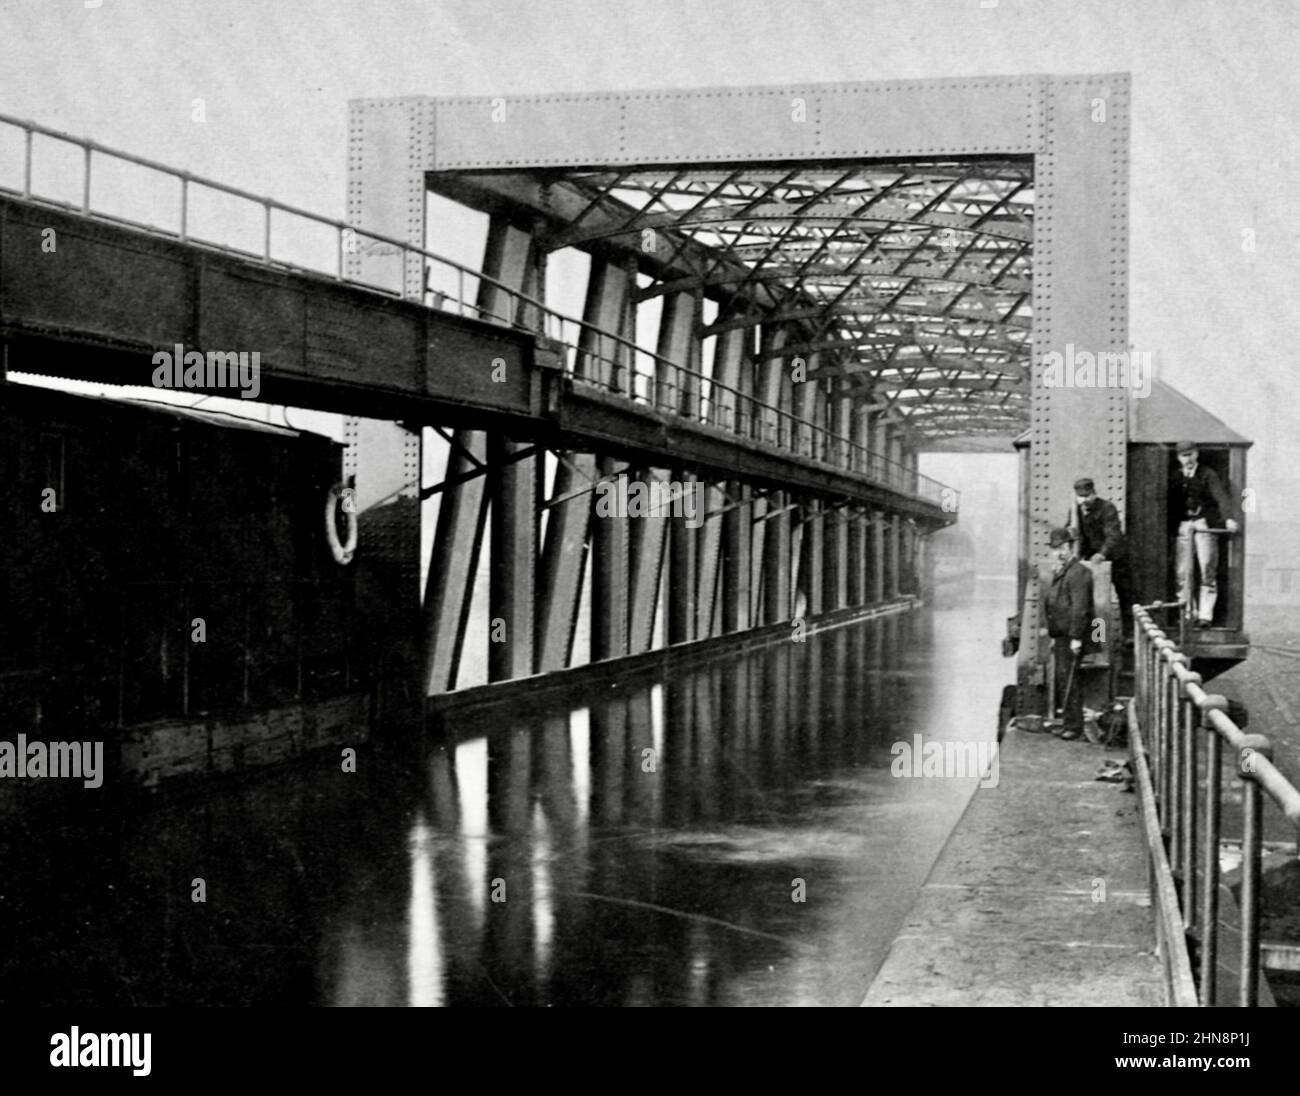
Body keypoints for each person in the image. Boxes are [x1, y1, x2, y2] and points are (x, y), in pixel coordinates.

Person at [1168, 442, 1239, 628]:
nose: (1188, 459)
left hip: (1203, 524)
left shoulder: (1208, 474)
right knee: (1182, 572)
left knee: (1207, 569)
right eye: (1184, 456)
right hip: (1184, 525)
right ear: (1178, 458)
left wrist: (1228, 519)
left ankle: (1205, 615)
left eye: (1191, 454)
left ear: (1197, 454)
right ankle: (1186, 613)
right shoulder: (1175, 477)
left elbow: (1220, 496)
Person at [1043, 526, 1093, 741]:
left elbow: (1080, 608)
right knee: (1065, 680)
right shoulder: (1065, 571)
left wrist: (1076, 638)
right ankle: (1068, 723)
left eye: (1063, 548)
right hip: (1062, 636)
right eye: (1055, 549)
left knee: (1071, 680)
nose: (1059, 552)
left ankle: (1074, 726)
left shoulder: (1078, 572)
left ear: (1071, 547)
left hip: (1072, 637)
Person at [1067, 477, 1131, 631]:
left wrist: (1102, 554)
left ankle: (1129, 633)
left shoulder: (1107, 508)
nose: (1085, 500)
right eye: (1081, 497)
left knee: (1126, 595)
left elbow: (1113, 536)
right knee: (1096, 601)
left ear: (1094, 493)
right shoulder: (1075, 510)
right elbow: (1074, 532)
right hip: (1091, 559)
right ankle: (1095, 637)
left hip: (1115, 558)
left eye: (1087, 496)